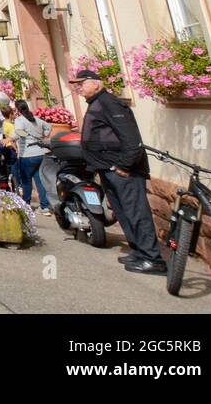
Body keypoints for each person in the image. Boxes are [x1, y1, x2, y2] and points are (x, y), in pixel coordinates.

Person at [73, 67, 166, 274]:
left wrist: (125, 165)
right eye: (76, 85)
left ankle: (153, 258)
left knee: (136, 212)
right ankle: (139, 252)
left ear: (96, 84)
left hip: (123, 171)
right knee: (124, 213)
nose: (78, 88)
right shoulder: (98, 103)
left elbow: (131, 138)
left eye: (82, 83)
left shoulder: (109, 103)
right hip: (108, 168)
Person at [12, 100, 53, 213]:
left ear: (17, 109)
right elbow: (49, 127)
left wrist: (13, 138)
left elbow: (18, 132)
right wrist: (43, 135)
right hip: (41, 153)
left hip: (28, 154)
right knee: (40, 181)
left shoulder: (20, 120)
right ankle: (44, 207)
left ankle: (26, 204)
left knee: (26, 181)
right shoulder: (36, 119)